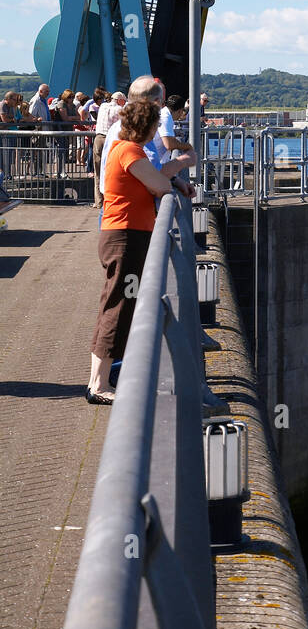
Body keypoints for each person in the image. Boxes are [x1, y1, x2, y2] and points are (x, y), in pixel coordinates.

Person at [87, 99, 197, 403]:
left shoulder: (125, 149)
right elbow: (158, 185)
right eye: (154, 127)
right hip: (125, 237)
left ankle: (98, 380)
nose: (156, 132)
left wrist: (172, 175)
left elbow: (156, 179)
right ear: (147, 126)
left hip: (124, 234)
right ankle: (99, 386)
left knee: (114, 305)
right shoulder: (130, 151)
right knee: (118, 308)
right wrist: (180, 167)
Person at [93, 92, 126, 209]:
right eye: (124, 100)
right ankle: (109, 200)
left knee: (97, 171)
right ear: (119, 100)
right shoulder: (120, 109)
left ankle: (98, 201)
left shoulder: (102, 106)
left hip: (98, 138)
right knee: (110, 170)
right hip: (110, 140)